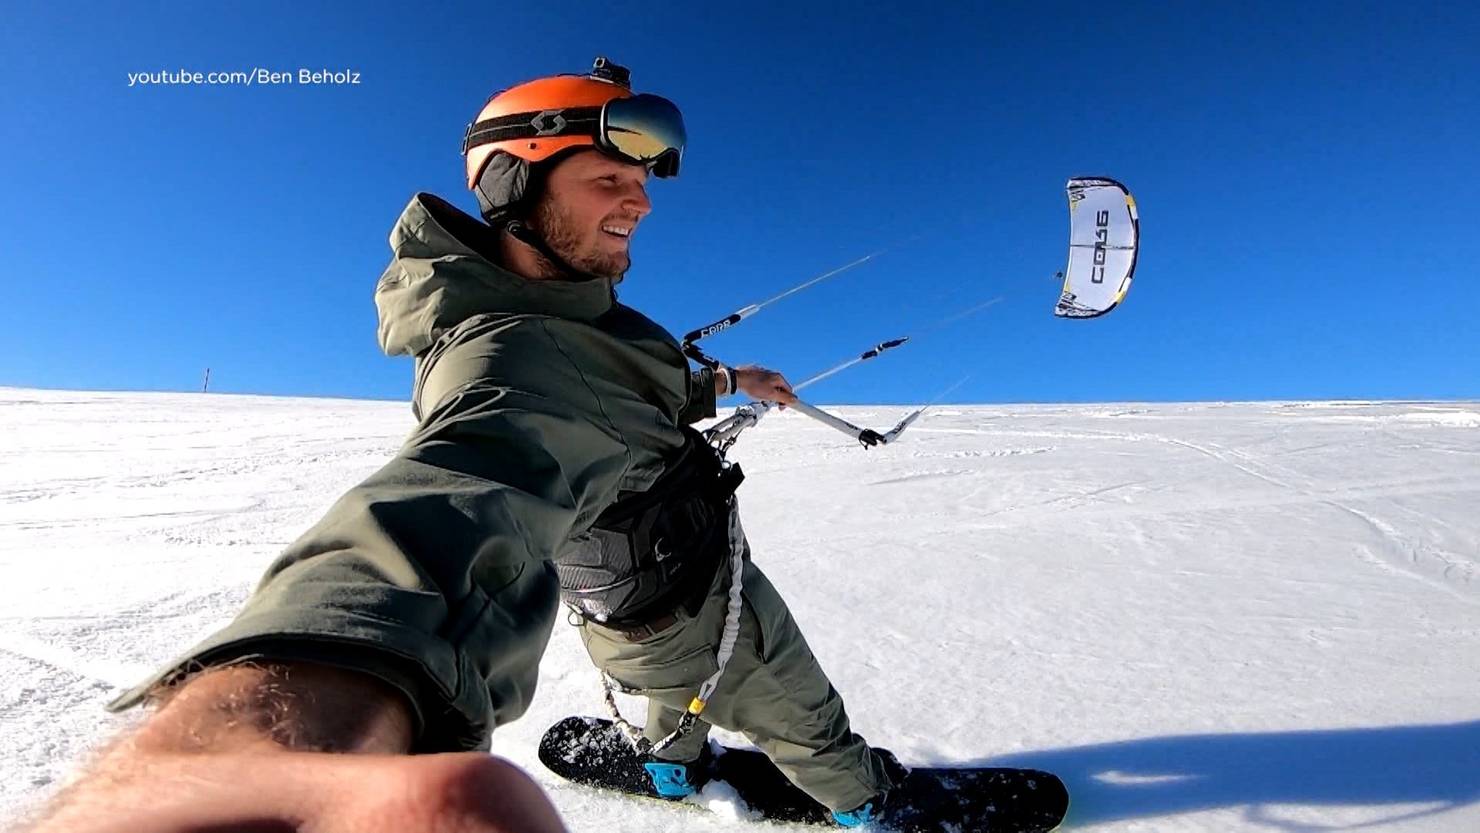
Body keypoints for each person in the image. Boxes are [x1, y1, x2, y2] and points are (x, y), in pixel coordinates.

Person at [24, 57, 901, 833]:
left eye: (640, 182)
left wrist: (732, 380)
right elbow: (457, 498)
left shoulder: (577, 324)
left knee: (669, 691)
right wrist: (262, 729)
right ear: (518, 186)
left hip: (633, 608)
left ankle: (669, 766)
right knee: (797, 708)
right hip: (703, 598)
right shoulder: (519, 358)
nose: (639, 200)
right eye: (606, 178)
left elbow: (643, 386)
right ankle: (869, 803)